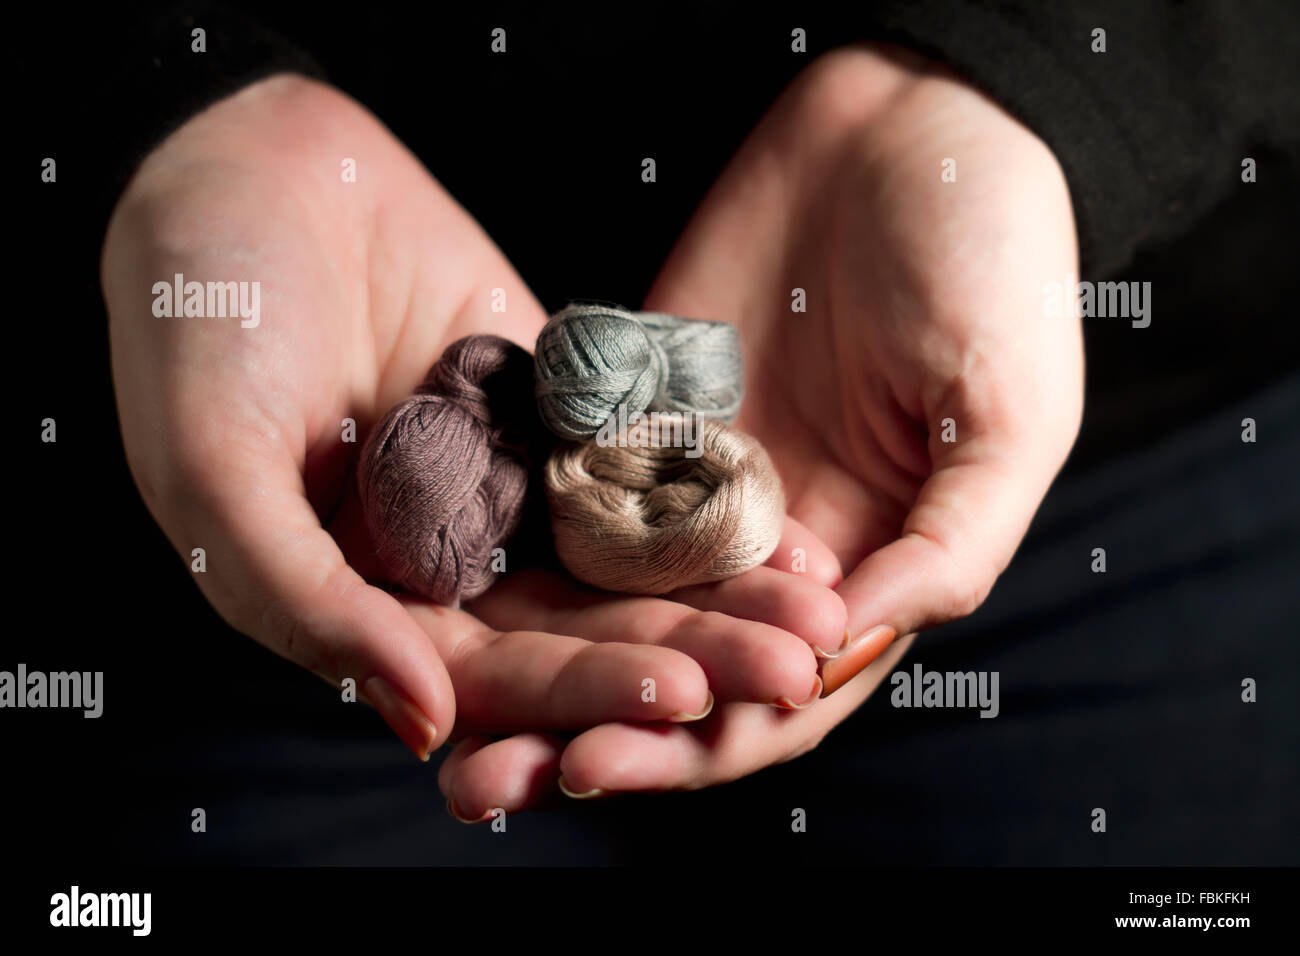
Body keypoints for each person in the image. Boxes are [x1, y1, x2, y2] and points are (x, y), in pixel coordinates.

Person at [85, 2, 1296, 847]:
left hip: (1141, 499)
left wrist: (1032, 80)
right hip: (219, 645)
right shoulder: (500, 441)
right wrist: (161, 102)